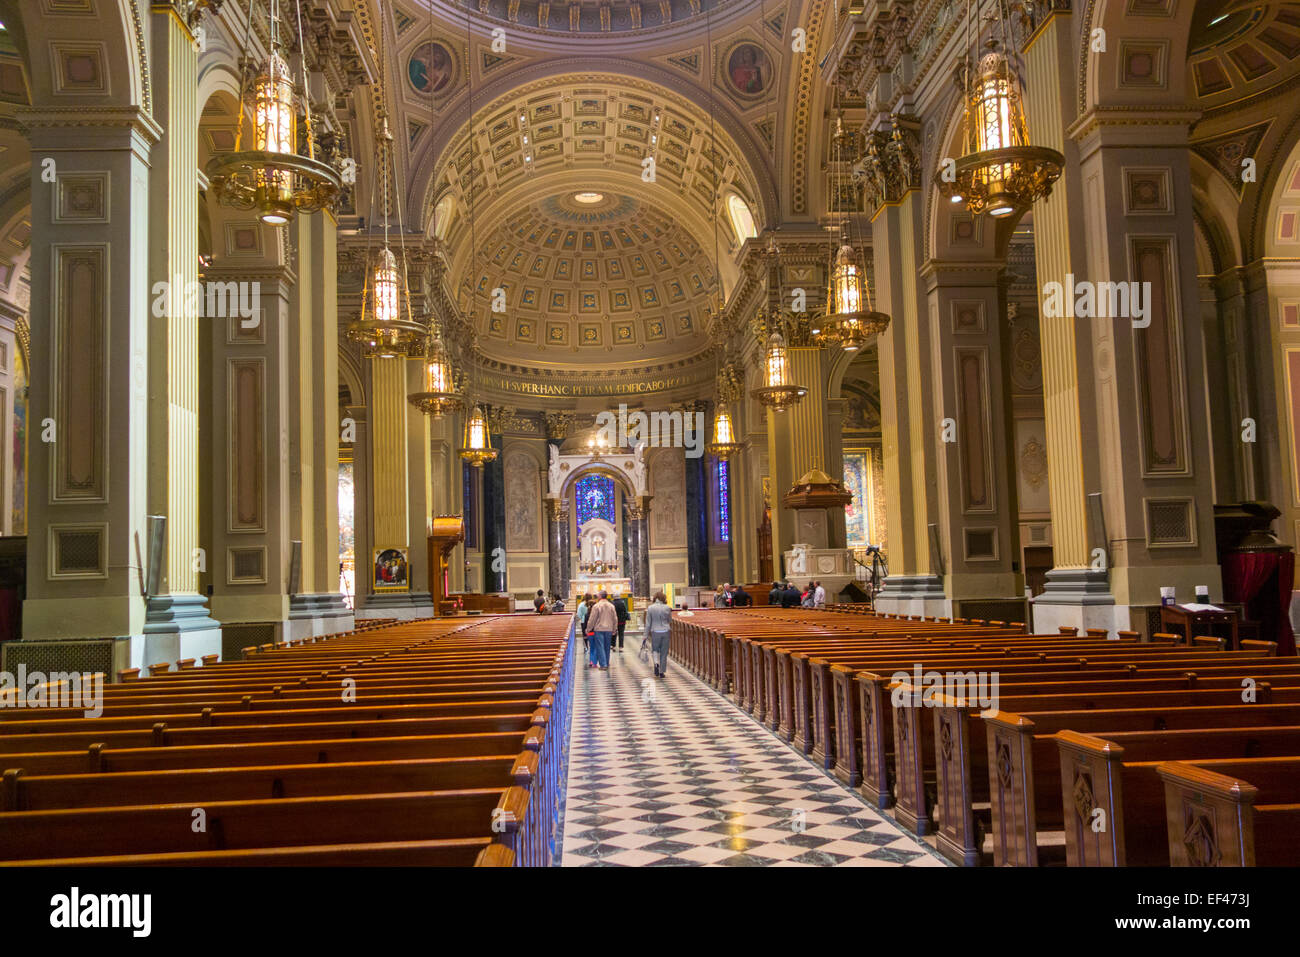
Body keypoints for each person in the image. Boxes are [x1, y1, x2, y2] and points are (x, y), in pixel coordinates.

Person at [644, 591, 673, 679]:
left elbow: (648, 623)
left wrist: (645, 635)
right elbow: (670, 620)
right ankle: (661, 671)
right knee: (664, 652)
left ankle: (656, 663)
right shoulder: (667, 608)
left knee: (655, 649)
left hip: (655, 631)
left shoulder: (650, 608)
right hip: (665, 631)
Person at [586, 590, 617, 671]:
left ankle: (603, 664)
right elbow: (615, 618)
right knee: (607, 647)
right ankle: (606, 662)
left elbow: (592, 619)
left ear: (600, 596)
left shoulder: (596, 606)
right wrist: (614, 629)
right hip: (609, 628)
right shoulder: (611, 606)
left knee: (600, 647)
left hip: (599, 629)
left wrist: (588, 629)